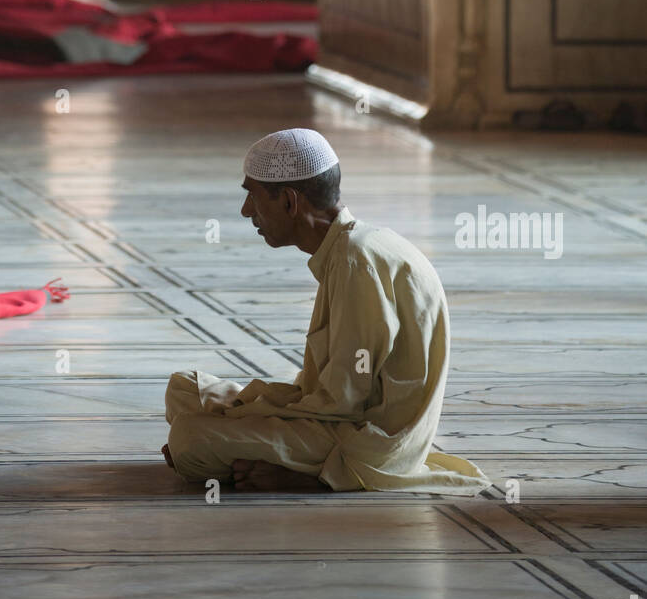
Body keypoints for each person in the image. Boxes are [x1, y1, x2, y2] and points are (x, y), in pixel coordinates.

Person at [163, 127, 490, 494]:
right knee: (185, 389)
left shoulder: (356, 261)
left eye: (252, 196)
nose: (246, 211)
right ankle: (249, 450)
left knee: (191, 438)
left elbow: (343, 400)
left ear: (289, 201)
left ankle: (313, 477)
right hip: (336, 417)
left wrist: (239, 415)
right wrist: (247, 408)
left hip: (364, 441)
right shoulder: (349, 247)